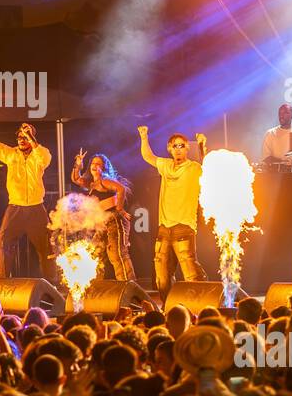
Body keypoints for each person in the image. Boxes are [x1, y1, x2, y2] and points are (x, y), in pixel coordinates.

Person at [0, 111, 54, 281]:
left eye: (25, 136)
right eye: (19, 136)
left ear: (32, 139)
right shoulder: (11, 154)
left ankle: (52, 284)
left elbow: (44, 158)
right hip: (16, 207)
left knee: (47, 247)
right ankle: (3, 281)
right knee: (3, 244)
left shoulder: (40, 155)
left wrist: (31, 139)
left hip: (36, 208)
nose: (21, 138)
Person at [138, 125, 208, 298]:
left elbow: (207, 167)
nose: (178, 149)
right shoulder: (166, 165)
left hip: (183, 227)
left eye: (181, 145)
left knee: (191, 275)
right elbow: (148, 156)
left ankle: (200, 304)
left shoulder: (194, 168)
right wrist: (144, 136)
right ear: (169, 149)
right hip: (164, 228)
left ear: (187, 148)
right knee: (162, 277)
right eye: (174, 146)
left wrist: (202, 147)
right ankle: (169, 309)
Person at [71, 150, 136, 282]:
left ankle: (128, 287)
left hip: (114, 221)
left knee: (117, 254)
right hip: (101, 224)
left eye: (99, 164)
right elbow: (76, 179)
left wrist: (119, 208)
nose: (95, 166)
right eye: (93, 163)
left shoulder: (104, 181)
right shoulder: (91, 184)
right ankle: (97, 290)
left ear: (104, 167)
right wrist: (78, 165)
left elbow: (121, 189)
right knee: (96, 254)